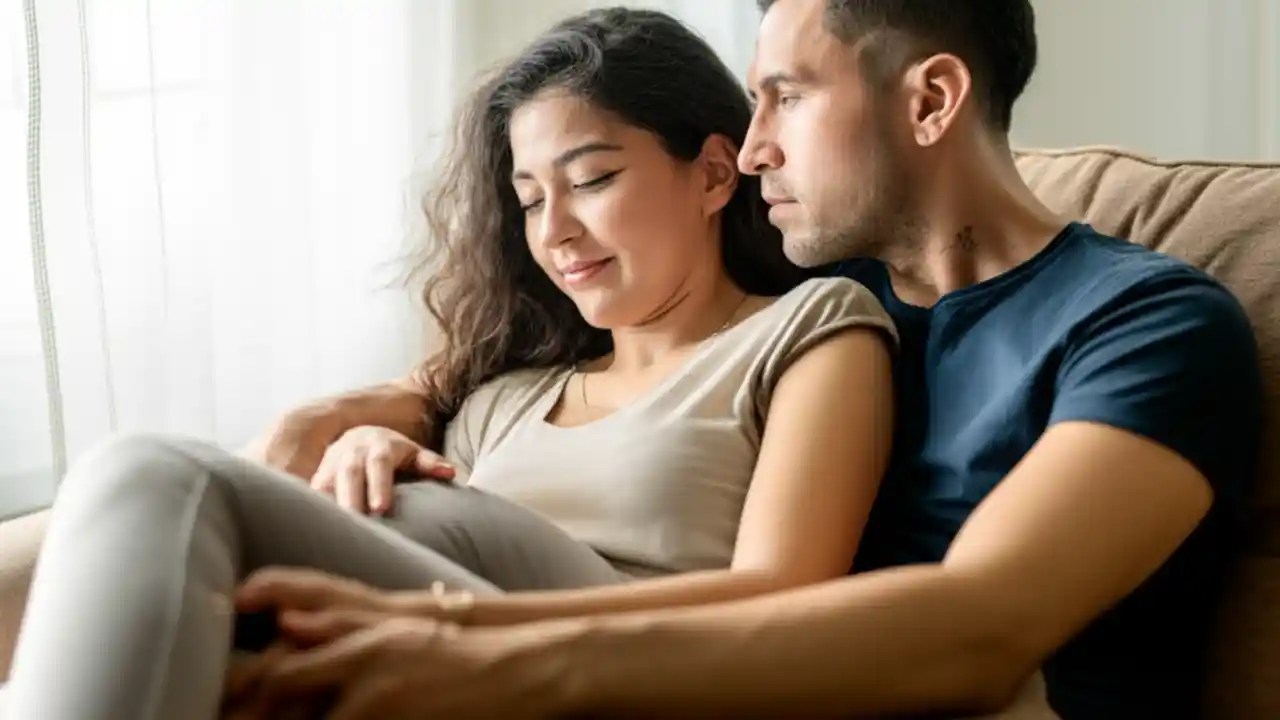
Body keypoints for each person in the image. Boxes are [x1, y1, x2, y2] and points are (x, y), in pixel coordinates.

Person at [215, 0, 1264, 719]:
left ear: (930, 100)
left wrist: (477, 650)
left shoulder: (1145, 325)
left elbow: (980, 623)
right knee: (189, 510)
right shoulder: (822, 313)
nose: (753, 144)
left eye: (787, 97)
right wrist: (402, 401)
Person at [0, 8, 899, 719]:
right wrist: (375, 464)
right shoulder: (504, 395)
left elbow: (780, 601)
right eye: (530, 199)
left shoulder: (807, 328)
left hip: (619, 671)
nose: (555, 232)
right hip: (437, 648)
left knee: (158, 476)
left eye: (590, 180)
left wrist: (449, 623)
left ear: (711, 175)